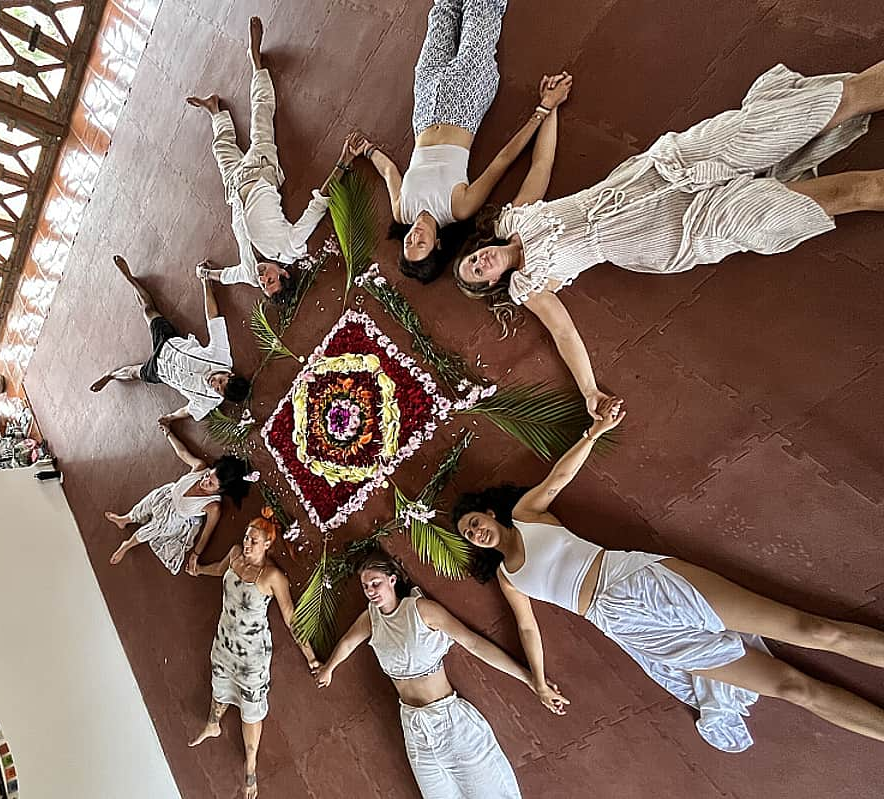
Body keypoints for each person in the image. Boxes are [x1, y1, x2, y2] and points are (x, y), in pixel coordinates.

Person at [452, 61, 884, 419]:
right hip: (672, 231)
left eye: (471, 259)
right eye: (476, 273)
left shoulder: (515, 217)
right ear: (491, 284)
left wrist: (550, 108)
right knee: (828, 200)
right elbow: (565, 336)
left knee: (803, 113)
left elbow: (541, 164)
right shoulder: (530, 287)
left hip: (663, 167)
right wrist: (589, 392)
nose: (479, 262)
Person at [453, 396, 884, 752]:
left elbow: (560, 476)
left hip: (636, 580)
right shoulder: (509, 578)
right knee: (793, 689)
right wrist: (540, 683)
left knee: (812, 629)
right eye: (469, 535)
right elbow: (527, 627)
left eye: (474, 522)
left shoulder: (528, 513)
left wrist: (595, 431)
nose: (475, 532)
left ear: (490, 513)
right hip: (625, 627)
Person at [351, 0, 573, 282]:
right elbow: (501, 162)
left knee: (443, 11)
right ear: (438, 244)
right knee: (481, 11)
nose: (415, 236)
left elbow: (389, 171)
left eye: (409, 243)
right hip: (464, 105)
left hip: (425, 108)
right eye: (422, 245)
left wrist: (367, 151)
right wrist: (542, 111)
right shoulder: (457, 208)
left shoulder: (401, 211)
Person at [314, 549, 563, 798]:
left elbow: (473, 643)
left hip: (449, 722)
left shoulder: (421, 610)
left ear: (392, 579)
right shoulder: (371, 618)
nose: (370, 591)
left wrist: (532, 680)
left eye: (375, 583)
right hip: (413, 727)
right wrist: (329, 668)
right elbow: (348, 642)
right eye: (366, 586)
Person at [188, 16, 355, 306]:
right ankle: (256, 63)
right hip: (261, 167)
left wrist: (207, 275)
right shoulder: (290, 248)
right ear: (284, 273)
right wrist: (343, 161)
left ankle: (215, 110)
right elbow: (318, 205)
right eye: (272, 280)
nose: (264, 280)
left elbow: (229, 275)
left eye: (265, 286)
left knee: (221, 147)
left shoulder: (251, 274)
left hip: (234, 188)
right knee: (262, 112)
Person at [187, 510, 318, 799]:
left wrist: (310, 656)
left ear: (268, 544)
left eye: (254, 541)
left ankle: (251, 766)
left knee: (251, 708)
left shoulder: (272, 577)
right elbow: (220, 570)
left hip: (252, 657)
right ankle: (213, 724)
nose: (247, 543)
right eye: (247, 537)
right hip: (224, 642)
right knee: (218, 685)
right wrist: (198, 568)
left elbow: (290, 618)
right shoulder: (235, 556)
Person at [90, 255, 250, 423]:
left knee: (133, 373)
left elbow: (188, 410)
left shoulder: (209, 401)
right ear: (229, 374)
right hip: (168, 343)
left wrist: (170, 418)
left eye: (218, 389)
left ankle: (111, 376)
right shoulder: (221, 355)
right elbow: (213, 318)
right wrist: (205, 281)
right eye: (221, 380)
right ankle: (131, 280)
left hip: (160, 371)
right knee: (147, 310)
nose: (214, 384)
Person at [103, 421, 251, 574]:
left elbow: (207, 532)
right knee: (144, 506)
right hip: (166, 495)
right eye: (208, 476)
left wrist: (195, 555)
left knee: (151, 529)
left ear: (219, 490)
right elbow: (182, 453)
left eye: (210, 484)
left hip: (172, 518)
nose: (204, 481)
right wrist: (169, 433)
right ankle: (125, 519)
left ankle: (126, 545)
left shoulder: (213, 506)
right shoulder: (200, 467)